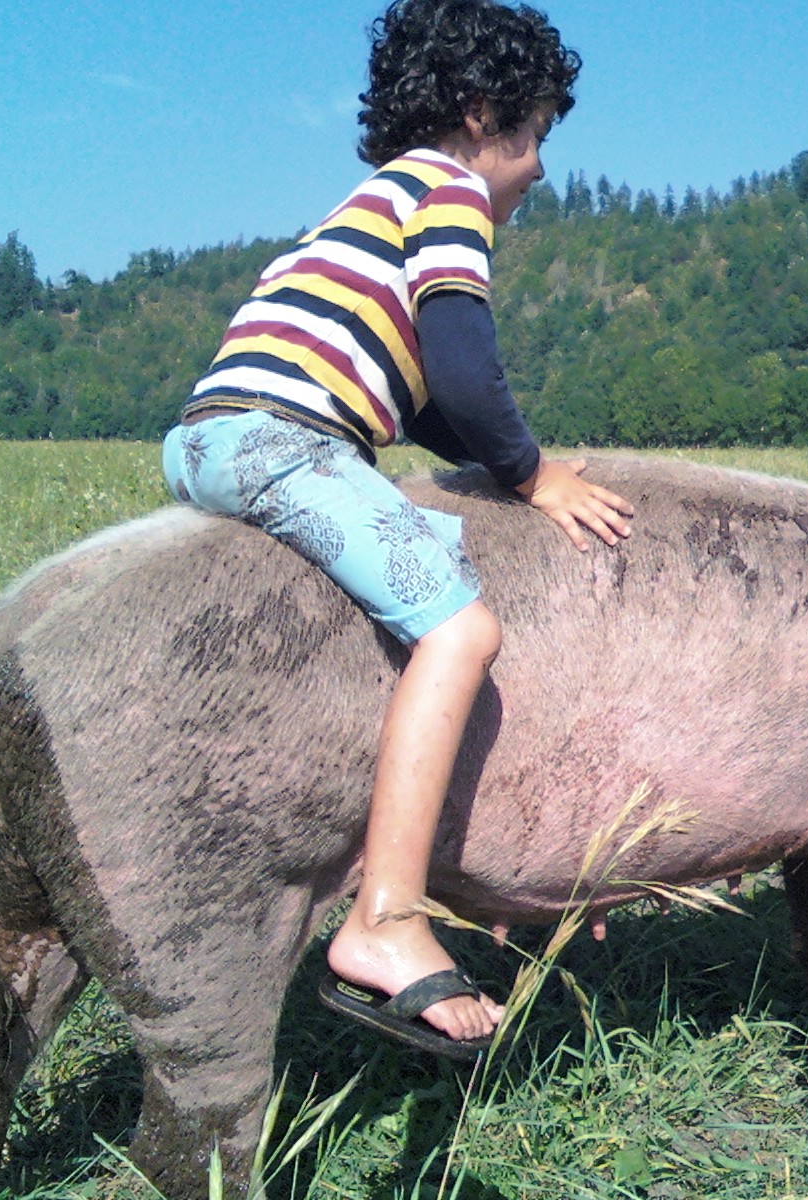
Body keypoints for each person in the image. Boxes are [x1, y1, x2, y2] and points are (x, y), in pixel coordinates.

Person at [161, 0, 633, 1058]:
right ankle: (383, 918)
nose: (541, 170)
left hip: (205, 435)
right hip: (285, 439)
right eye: (538, 134)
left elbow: (411, 394)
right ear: (480, 114)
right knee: (460, 631)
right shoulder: (451, 192)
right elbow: (462, 371)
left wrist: (477, 459)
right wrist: (532, 472)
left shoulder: (363, 204)